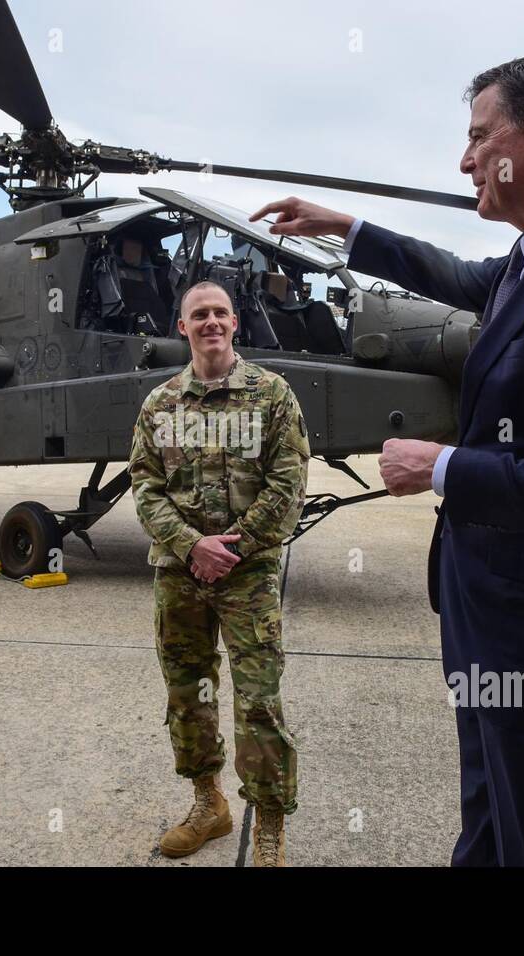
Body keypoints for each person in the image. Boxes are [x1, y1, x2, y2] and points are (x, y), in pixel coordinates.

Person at [251, 49, 524, 865]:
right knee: (490, 832)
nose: (465, 158)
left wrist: (441, 468)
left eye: (481, 137)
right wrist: (347, 228)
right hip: (494, 623)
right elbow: (455, 273)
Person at [128, 280, 310, 866]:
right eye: (198, 314)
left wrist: (232, 546)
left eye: (220, 313)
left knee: (259, 701)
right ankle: (209, 803)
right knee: (188, 694)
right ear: (182, 328)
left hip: (248, 576)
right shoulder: (160, 404)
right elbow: (144, 484)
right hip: (180, 575)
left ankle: (271, 828)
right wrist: (189, 545)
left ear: (236, 324)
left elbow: (289, 482)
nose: (210, 322)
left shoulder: (273, 395)